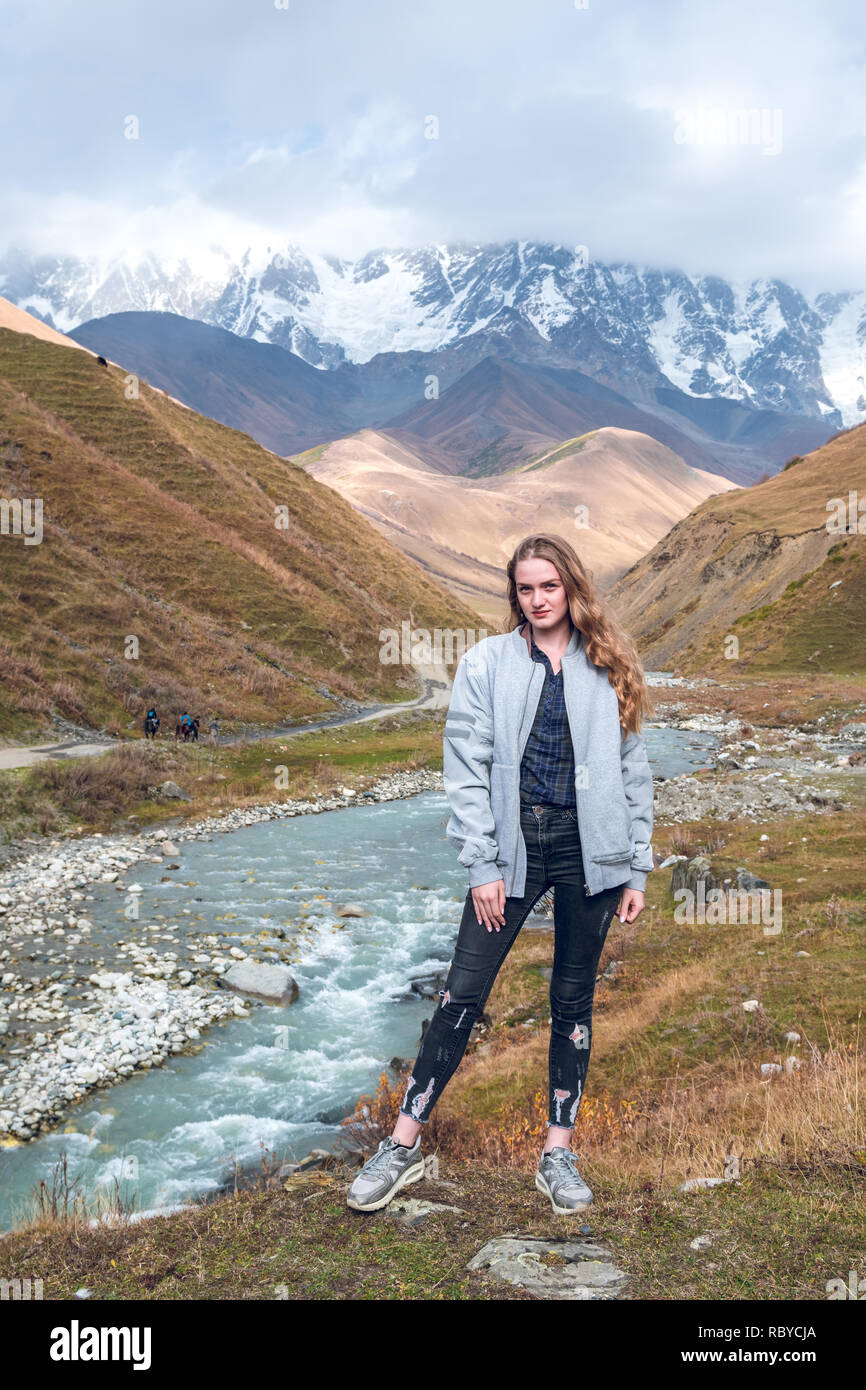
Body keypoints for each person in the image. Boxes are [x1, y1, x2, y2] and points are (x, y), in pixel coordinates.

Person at [347, 533, 654, 1216]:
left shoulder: (609, 662)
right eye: (525, 588)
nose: (538, 599)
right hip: (514, 851)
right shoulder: (486, 662)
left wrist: (637, 866)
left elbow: (633, 770)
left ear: (571, 587)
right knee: (461, 994)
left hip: (591, 855)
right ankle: (400, 1145)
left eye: (549, 586)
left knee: (572, 1004)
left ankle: (557, 1154)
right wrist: (482, 863)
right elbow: (465, 769)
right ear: (513, 595)